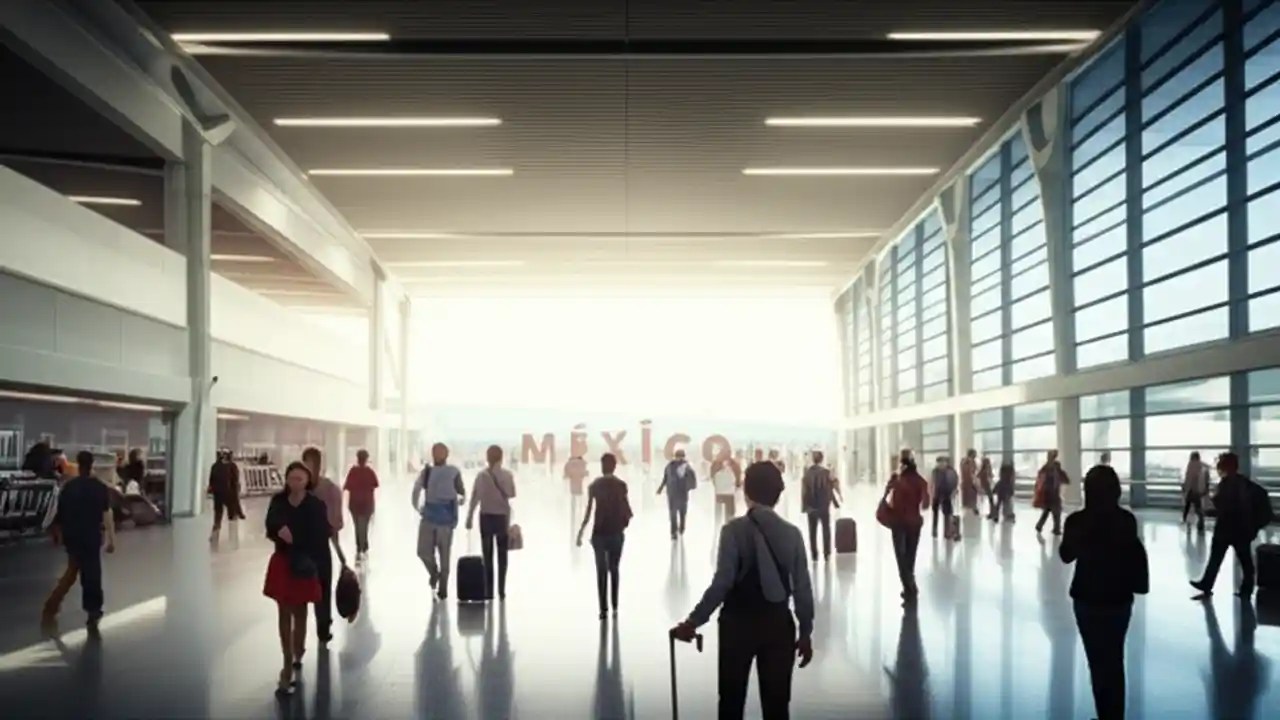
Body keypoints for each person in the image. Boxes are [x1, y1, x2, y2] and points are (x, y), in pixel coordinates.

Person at [671, 461, 814, 720]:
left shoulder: (733, 532)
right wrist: (805, 632)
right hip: (778, 625)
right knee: (777, 707)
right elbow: (802, 588)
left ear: (746, 492)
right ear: (778, 494)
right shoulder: (792, 535)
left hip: (737, 625)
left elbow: (722, 584)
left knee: (731, 702)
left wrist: (694, 621)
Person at [1059, 464, 1148, 720]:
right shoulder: (1126, 520)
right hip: (1119, 598)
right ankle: (1115, 716)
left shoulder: (1077, 520)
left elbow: (1066, 556)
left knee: (1097, 662)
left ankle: (1103, 714)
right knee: (1115, 659)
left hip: (1087, 597)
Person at [263, 461, 328, 695]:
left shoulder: (315, 505)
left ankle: (298, 649)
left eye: (300, 479)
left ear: (307, 481)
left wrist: (298, 538)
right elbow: (270, 524)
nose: (295, 483)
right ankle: (286, 661)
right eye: (291, 479)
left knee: (300, 610)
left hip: (303, 562)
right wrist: (278, 530)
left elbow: (321, 533)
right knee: (283, 610)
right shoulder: (278, 501)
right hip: (283, 560)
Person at [41, 451, 115, 628]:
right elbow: (107, 514)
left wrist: (58, 533)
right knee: (92, 574)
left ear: (78, 465)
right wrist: (111, 539)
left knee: (72, 571)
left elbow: (60, 513)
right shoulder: (100, 487)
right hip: (90, 536)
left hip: (73, 536)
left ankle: (51, 606)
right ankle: (93, 610)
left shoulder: (69, 487)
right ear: (92, 465)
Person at [1191, 453, 1274, 599]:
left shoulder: (1228, 484)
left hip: (1227, 529)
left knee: (1218, 559)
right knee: (1244, 560)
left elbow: (1224, 505)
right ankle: (1245, 589)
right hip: (1239, 530)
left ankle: (1207, 584)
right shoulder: (1244, 484)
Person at [577, 453, 632, 619]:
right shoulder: (621, 485)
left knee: (601, 571)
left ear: (602, 466)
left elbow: (588, 512)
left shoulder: (594, 485)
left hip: (599, 534)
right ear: (614, 466)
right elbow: (627, 511)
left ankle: (603, 609)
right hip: (616, 533)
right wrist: (622, 525)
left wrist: (581, 531)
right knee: (614, 569)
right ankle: (615, 604)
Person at [412, 443, 466, 601]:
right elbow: (416, 489)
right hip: (429, 517)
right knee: (423, 552)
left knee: (444, 556)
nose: (438, 455)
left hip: (446, 520)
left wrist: (459, 501)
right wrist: (417, 507)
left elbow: (462, 493)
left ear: (446, 454)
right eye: (435, 452)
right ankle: (434, 573)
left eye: (440, 452)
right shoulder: (427, 472)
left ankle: (443, 587)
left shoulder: (454, 472)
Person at [466, 445, 517, 601]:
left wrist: (469, 517)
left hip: (486, 517)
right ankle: (501, 590)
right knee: (502, 555)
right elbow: (512, 494)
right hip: (502, 518)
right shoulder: (508, 475)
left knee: (487, 556)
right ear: (501, 458)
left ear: (487, 458)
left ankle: (489, 591)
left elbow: (475, 498)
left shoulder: (481, 476)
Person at [303, 447, 343, 643]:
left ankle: (323, 625)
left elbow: (337, 524)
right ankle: (299, 640)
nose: (310, 469)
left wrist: (341, 555)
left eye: (313, 465)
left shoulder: (331, 489)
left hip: (320, 548)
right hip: (300, 549)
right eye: (307, 465)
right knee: (300, 592)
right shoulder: (297, 489)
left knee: (322, 589)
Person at [884, 452, 929, 600]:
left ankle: (909, 586)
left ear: (903, 466)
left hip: (899, 522)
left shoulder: (897, 481)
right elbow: (926, 504)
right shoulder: (921, 481)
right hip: (914, 522)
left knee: (900, 556)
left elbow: (889, 499)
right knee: (910, 556)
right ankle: (910, 584)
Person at [800, 451, 842, 561]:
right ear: (822, 459)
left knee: (812, 530)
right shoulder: (826, 472)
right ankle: (826, 553)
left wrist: (804, 506)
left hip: (811, 506)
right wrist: (839, 496)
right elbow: (834, 484)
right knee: (826, 528)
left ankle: (814, 554)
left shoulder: (807, 473)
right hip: (823, 505)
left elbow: (804, 491)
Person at [344, 449, 380, 558]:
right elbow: (376, 484)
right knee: (364, 525)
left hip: (354, 503)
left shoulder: (353, 471)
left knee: (357, 525)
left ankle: (360, 545)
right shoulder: (369, 472)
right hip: (367, 504)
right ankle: (363, 544)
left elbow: (347, 486)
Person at [657, 448, 696, 540]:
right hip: (672, 493)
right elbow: (665, 478)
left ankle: (681, 527)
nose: (679, 458)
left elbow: (692, 480)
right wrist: (661, 487)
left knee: (682, 513)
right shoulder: (670, 466)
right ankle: (674, 532)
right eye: (678, 456)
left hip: (681, 493)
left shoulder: (687, 467)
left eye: (680, 456)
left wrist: (689, 487)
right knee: (673, 514)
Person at [1035, 450, 1068, 535]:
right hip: (1052, 493)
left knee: (1047, 510)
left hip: (1048, 492)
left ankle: (1040, 525)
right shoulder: (1053, 466)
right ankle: (1056, 529)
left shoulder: (1046, 467)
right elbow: (1061, 476)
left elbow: (1041, 477)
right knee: (1056, 511)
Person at [1181, 451, 1210, 533]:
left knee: (1188, 507)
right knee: (1198, 508)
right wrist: (1205, 490)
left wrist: (1185, 488)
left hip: (1191, 491)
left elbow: (1188, 478)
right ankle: (1200, 523)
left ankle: (1188, 523)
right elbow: (1207, 480)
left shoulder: (1191, 465)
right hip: (1200, 491)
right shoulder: (1204, 466)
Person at [711, 454, 743, 524]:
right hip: (730, 493)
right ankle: (727, 528)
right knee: (729, 515)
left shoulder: (716, 465)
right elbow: (738, 480)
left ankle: (717, 529)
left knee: (718, 514)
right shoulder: (734, 466)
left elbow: (712, 478)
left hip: (719, 493)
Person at [930, 456, 957, 539]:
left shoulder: (951, 471)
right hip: (937, 494)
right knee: (935, 513)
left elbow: (955, 482)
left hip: (946, 494)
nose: (940, 464)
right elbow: (932, 483)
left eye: (942, 462)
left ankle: (947, 532)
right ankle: (934, 530)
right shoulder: (935, 471)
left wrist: (953, 492)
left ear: (946, 463)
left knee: (947, 514)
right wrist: (932, 493)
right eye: (939, 462)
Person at [960, 449, 979, 516]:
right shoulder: (967, 461)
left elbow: (973, 471)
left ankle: (973, 507)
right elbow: (968, 472)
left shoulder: (970, 461)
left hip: (969, 481)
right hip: (968, 481)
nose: (975, 456)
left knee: (972, 495)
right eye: (974, 454)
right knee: (970, 495)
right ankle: (972, 508)